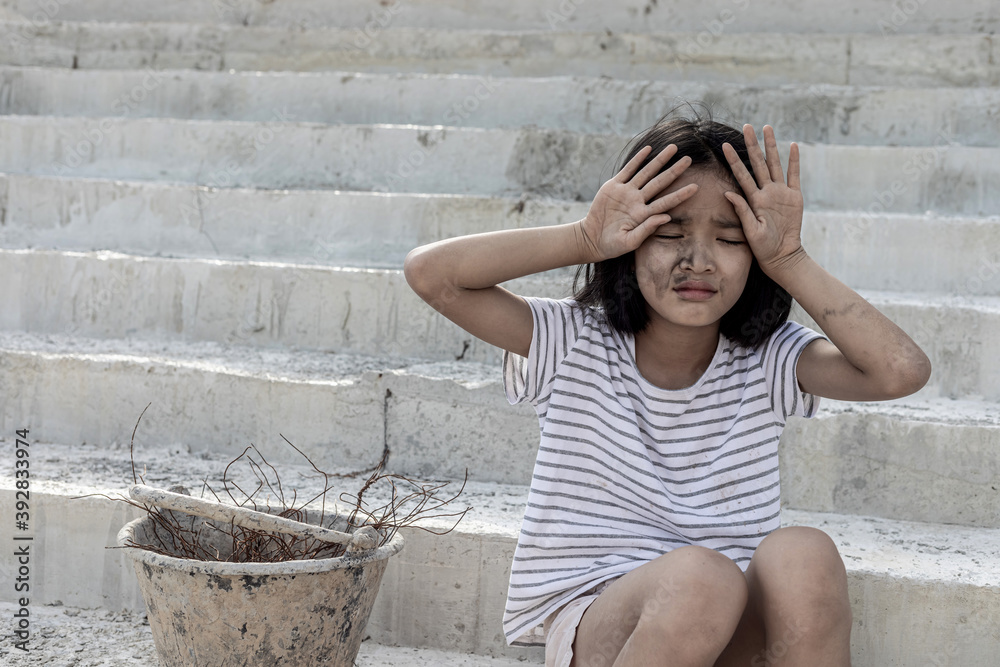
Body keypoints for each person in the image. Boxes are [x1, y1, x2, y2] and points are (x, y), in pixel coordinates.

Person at [404, 110, 931, 667]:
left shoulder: (770, 358)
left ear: (754, 258)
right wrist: (583, 237)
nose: (697, 260)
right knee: (700, 579)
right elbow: (431, 275)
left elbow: (899, 371)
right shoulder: (572, 339)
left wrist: (790, 260)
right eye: (670, 233)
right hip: (602, 615)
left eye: (729, 238)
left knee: (804, 553)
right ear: (629, 244)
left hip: (721, 624)